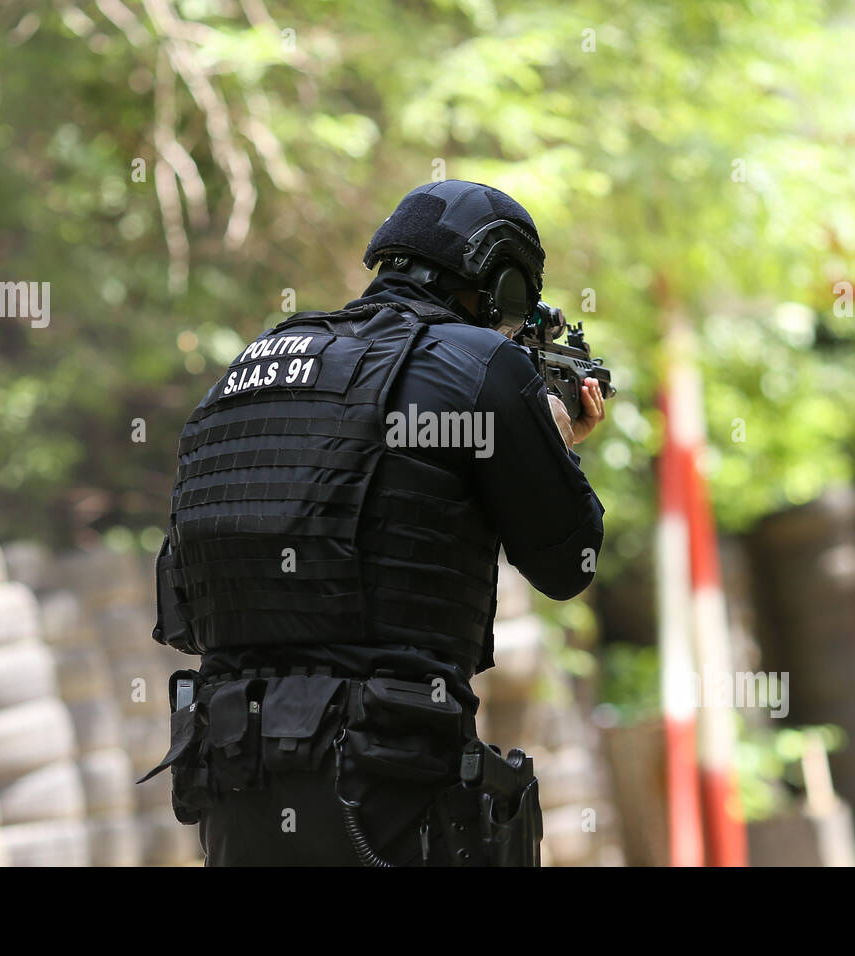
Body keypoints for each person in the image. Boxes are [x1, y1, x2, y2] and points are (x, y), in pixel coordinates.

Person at [142, 179, 606, 866]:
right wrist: (552, 446)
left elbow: (185, 601)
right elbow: (568, 563)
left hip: (233, 773)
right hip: (389, 780)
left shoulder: (251, 366)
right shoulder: (483, 365)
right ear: (502, 284)